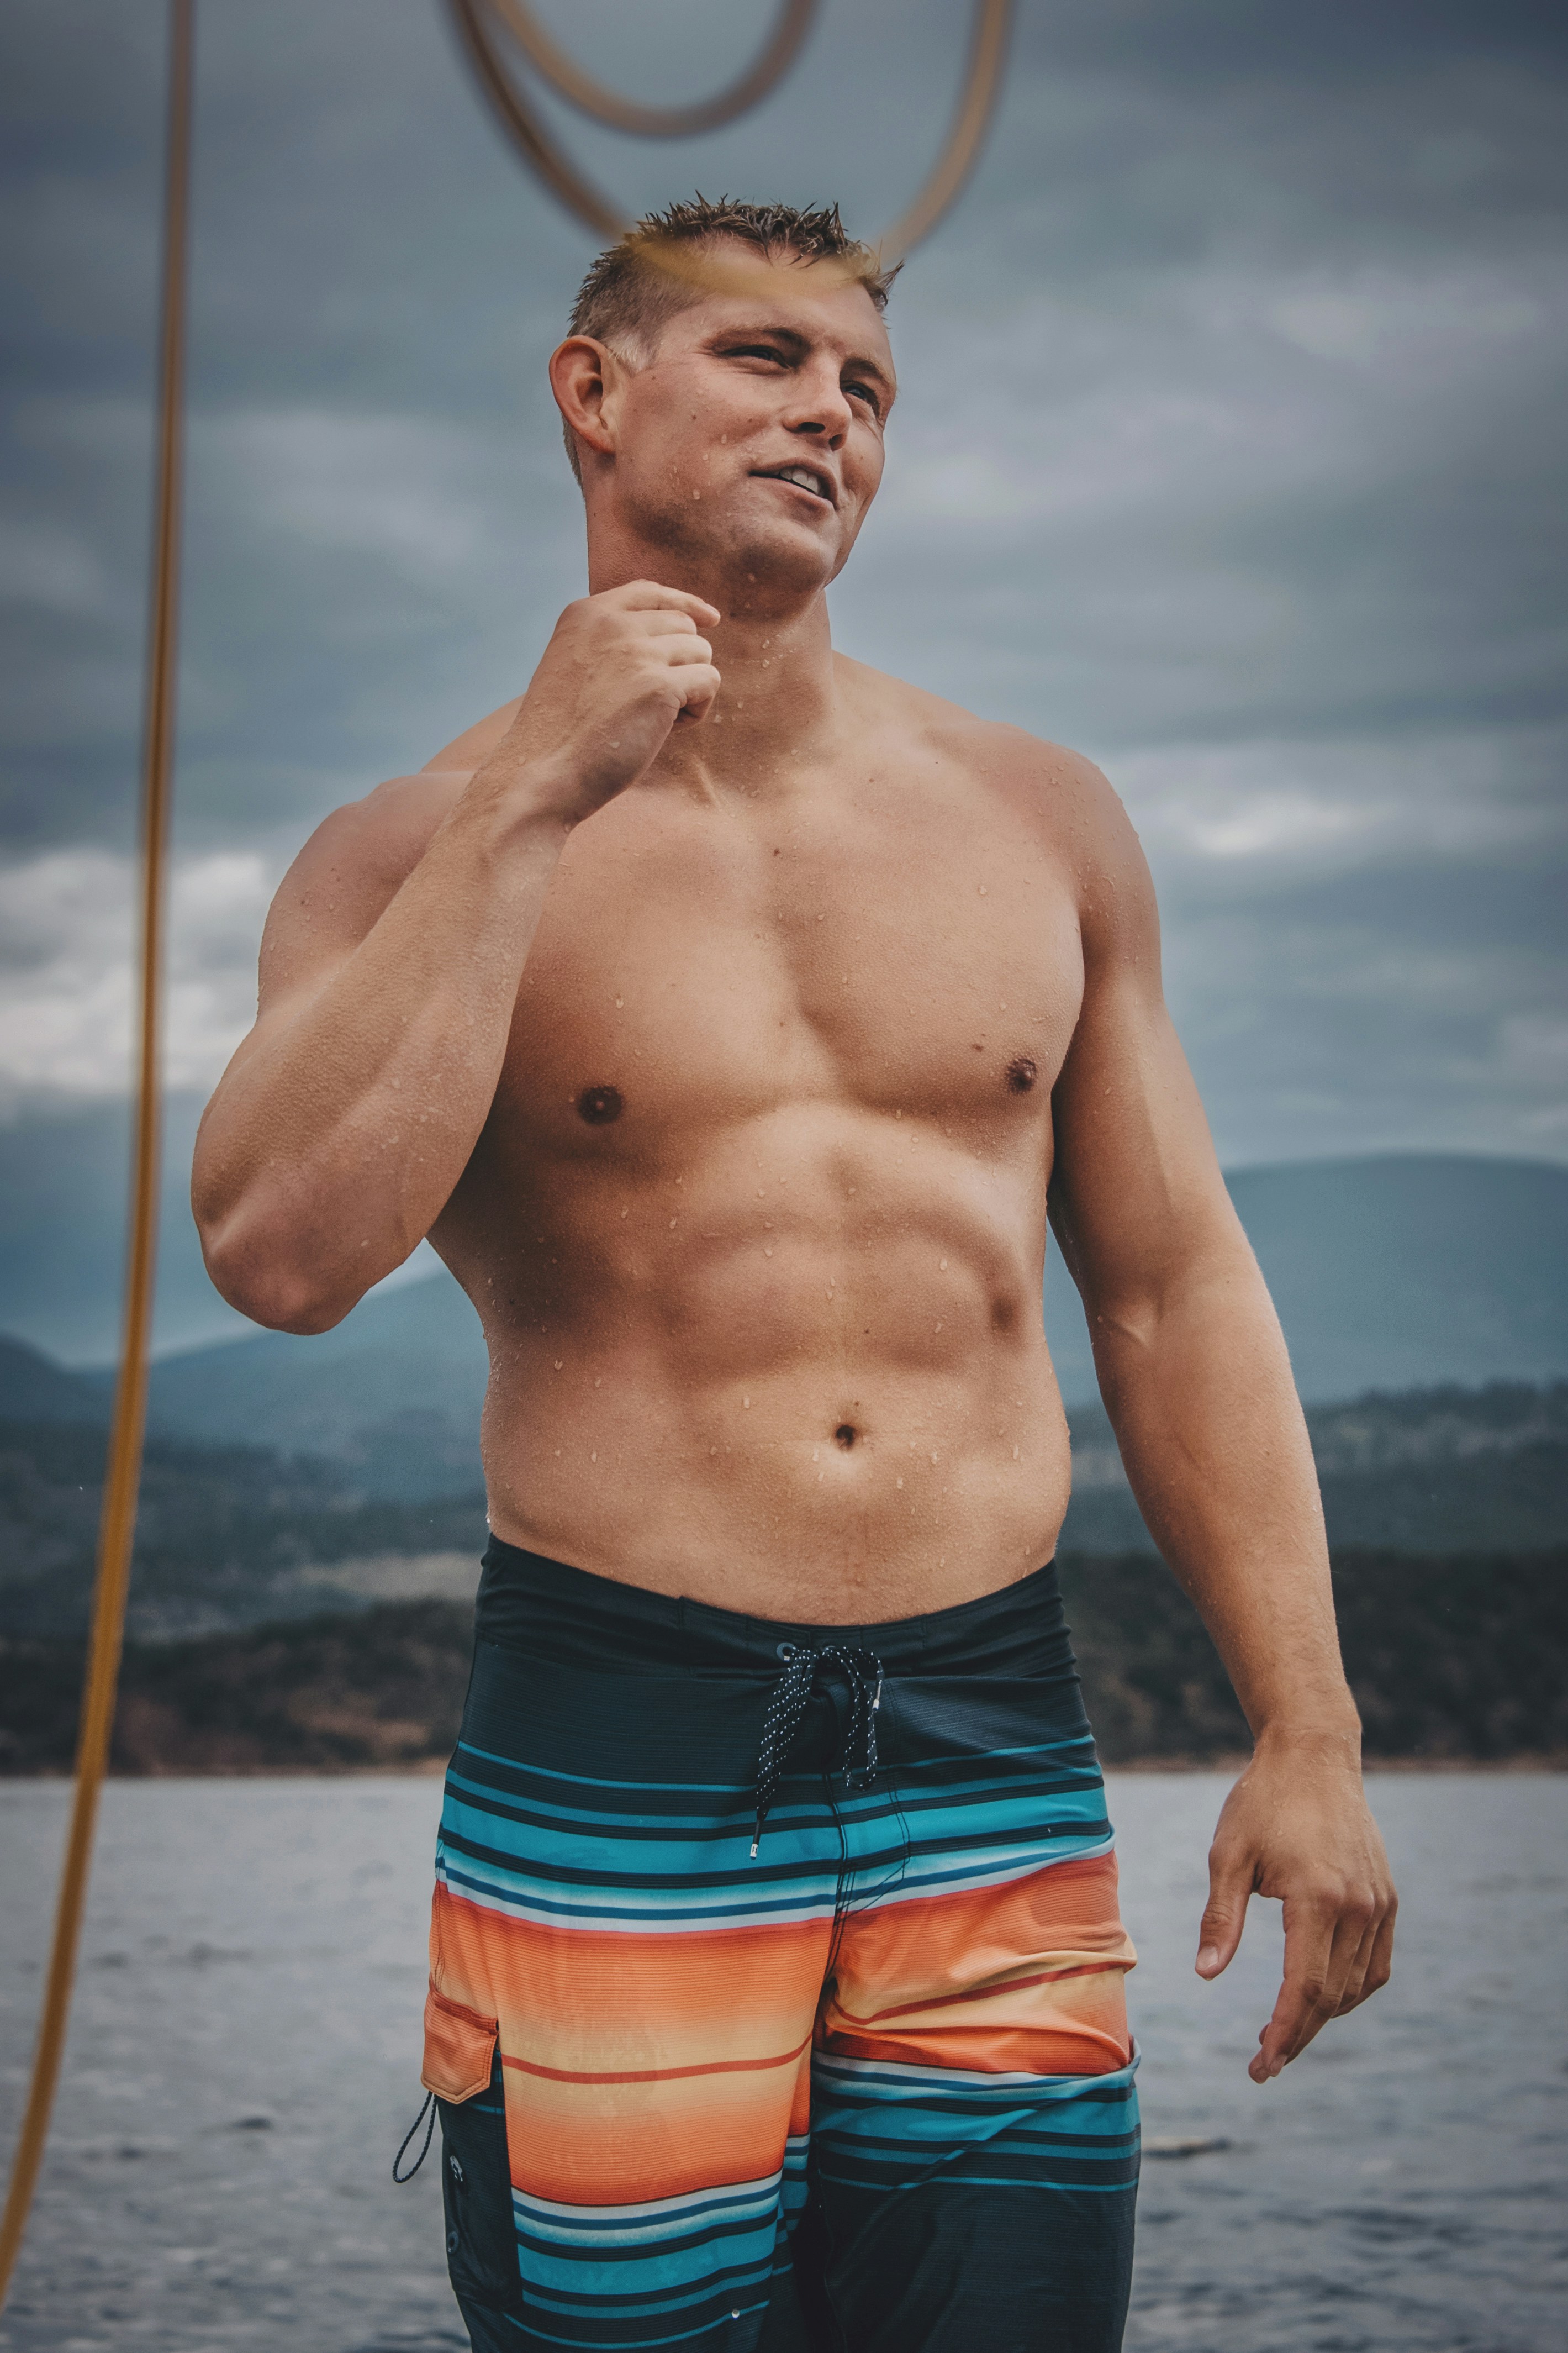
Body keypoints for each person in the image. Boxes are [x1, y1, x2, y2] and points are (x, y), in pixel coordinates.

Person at [192, 197, 1396, 2353]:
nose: (830, 415)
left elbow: (1170, 1291)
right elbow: (279, 1258)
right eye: (764, 358)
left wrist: (1303, 1727)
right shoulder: (405, 850)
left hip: (992, 1740)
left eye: (866, 388)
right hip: (616, 1743)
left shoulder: (1039, 819)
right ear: (590, 394)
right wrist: (525, 816)